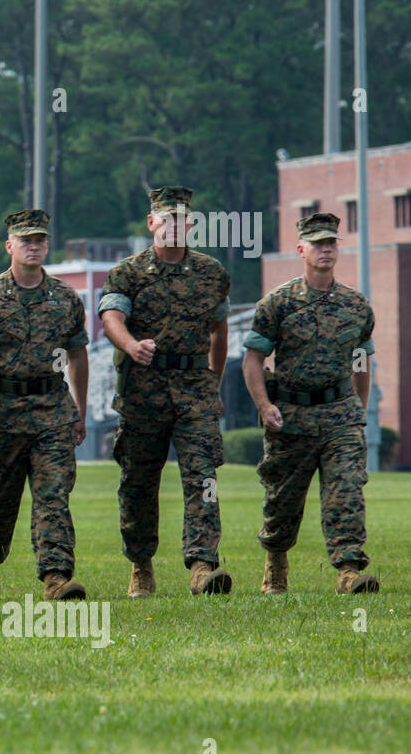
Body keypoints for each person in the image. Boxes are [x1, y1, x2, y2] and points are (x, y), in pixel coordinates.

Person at [0, 209, 90, 602]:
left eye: (40, 240)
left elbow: (78, 357)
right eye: (25, 240)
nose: (34, 246)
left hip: (52, 411)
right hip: (2, 415)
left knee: (54, 496)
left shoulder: (65, 298)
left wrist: (78, 410)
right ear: (9, 245)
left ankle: (56, 577)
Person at [99, 186, 231, 597]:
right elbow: (111, 317)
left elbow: (219, 331)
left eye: (181, 220)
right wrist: (130, 345)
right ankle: (140, 564)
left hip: (195, 390)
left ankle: (202, 565)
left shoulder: (212, 273)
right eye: (166, 219)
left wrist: (214, 382)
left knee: (202, 477)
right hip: (144, 392)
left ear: (190, 225)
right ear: (152, 223)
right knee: (138, 480)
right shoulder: (128, 272)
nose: (174, 227)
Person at [242, 212, 380, 595]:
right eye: (318, 243)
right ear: (300, 249)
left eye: (331, 242)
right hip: (292, 416)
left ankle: (349, 570)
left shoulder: (356, 305)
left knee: (347, 490)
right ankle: (275, 562)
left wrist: (359, 407)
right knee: (283, 501)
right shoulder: (278, 304)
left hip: (340, 415)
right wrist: (264, 405)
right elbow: (253, 359)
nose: (325, 249)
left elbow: (360, 358)